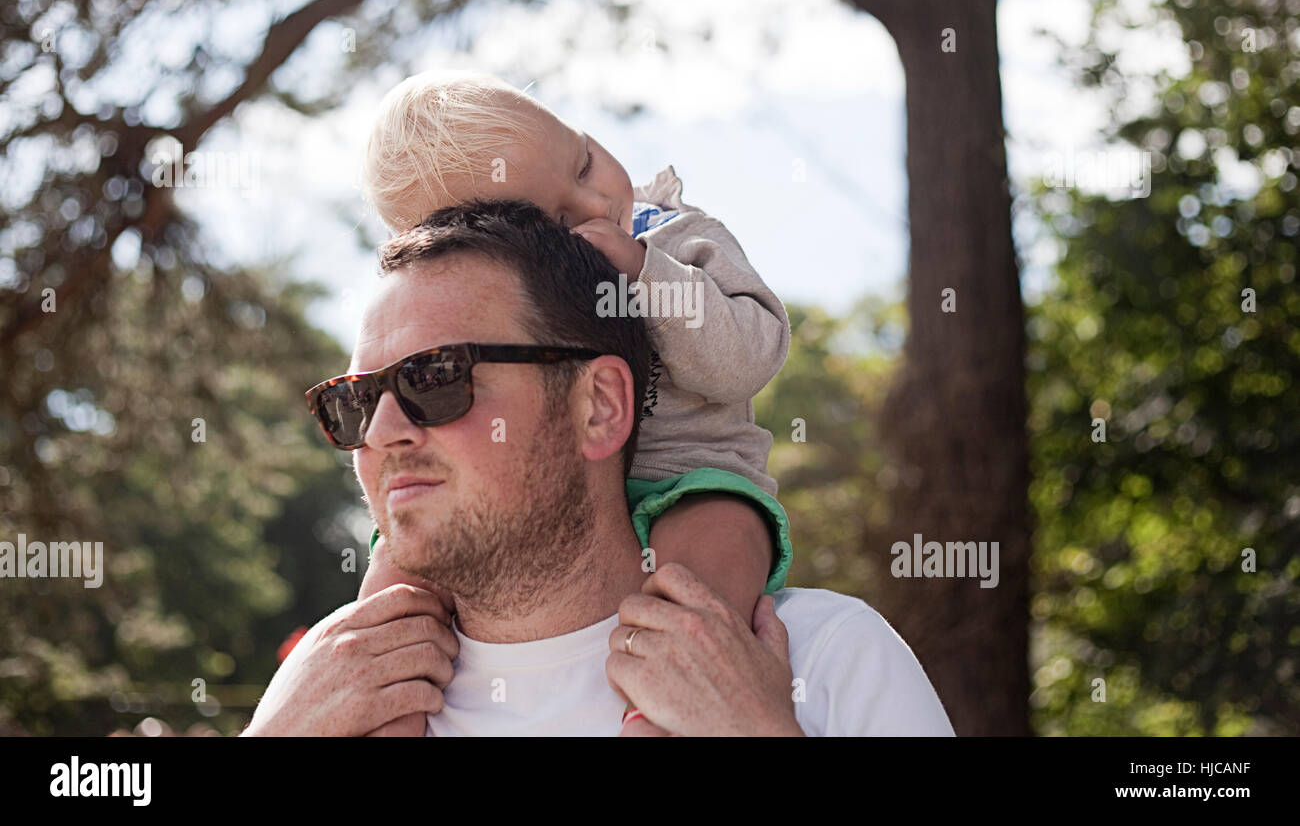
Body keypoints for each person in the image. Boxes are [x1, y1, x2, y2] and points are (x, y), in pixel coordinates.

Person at [244, 200, 954, 736]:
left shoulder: (825, 663)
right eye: (355, 401)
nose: (384, 431)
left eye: (435, 376)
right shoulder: (322, 706)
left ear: (600, 406)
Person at [357, 70, 795, 734]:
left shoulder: (676, 236)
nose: (595, 204)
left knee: (706, 576)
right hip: (555, 491)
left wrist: (647, 275)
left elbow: (752, 354)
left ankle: (664, 711)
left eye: (585, 162)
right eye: (557, 221)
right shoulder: (508, 300)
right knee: (394, 569)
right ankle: (382, 709)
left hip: (696, 477)